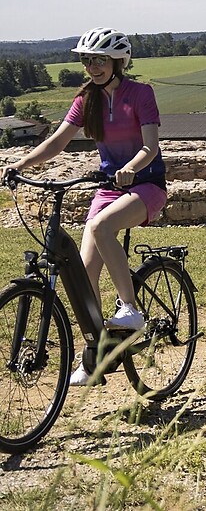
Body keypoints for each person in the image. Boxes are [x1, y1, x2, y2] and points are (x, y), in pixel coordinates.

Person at [2, 27, 167, 386]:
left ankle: (130, 309)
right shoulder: (86, 99)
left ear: (118, 62)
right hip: (109, 189)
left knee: (98, 227)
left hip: (146, 185)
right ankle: (96, 355)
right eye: (87, 59)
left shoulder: (140, 94)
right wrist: (20, 165)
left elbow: (151, 146)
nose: (92, 66)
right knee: (81, 275)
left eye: (100, 59)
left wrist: (131, 168)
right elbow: (56, 142)